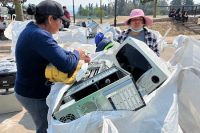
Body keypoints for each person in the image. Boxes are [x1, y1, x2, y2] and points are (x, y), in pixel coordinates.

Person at [14, 1, 90, 133]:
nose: (61, 24)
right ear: (50, 19)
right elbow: (66, 64)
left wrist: (76, 55)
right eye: (60, 20)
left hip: (28, 88)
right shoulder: (39, 36)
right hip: (33, 94)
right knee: (46, 128)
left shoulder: (33, 30)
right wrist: (77, 53)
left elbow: (57, 53)